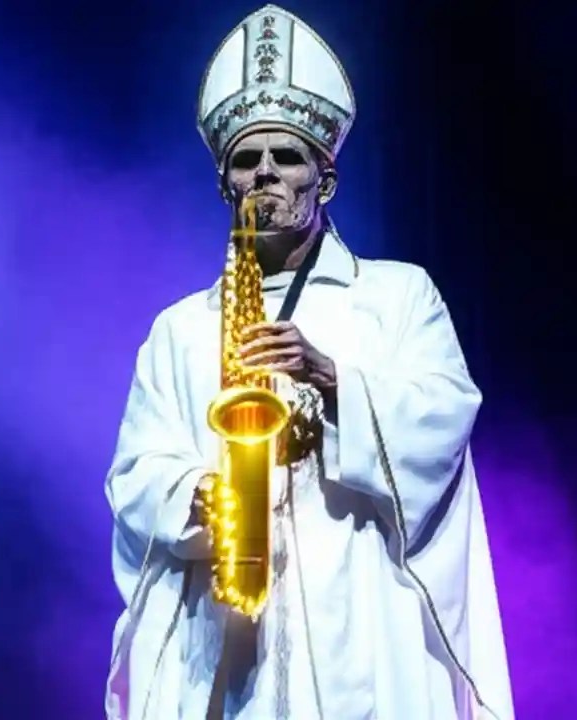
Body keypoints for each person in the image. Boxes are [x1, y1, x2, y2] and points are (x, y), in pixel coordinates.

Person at [104, 5, 515, 719]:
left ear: (324, 180)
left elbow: (446, 419)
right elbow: (134, 474)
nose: (264, 173)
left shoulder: (395, 296)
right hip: (230, 626)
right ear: (223, 184)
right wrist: (199, 497)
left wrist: (333, 382)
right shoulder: (179, 330)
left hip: (357, 607)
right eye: (245, 160)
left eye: (287, 157)